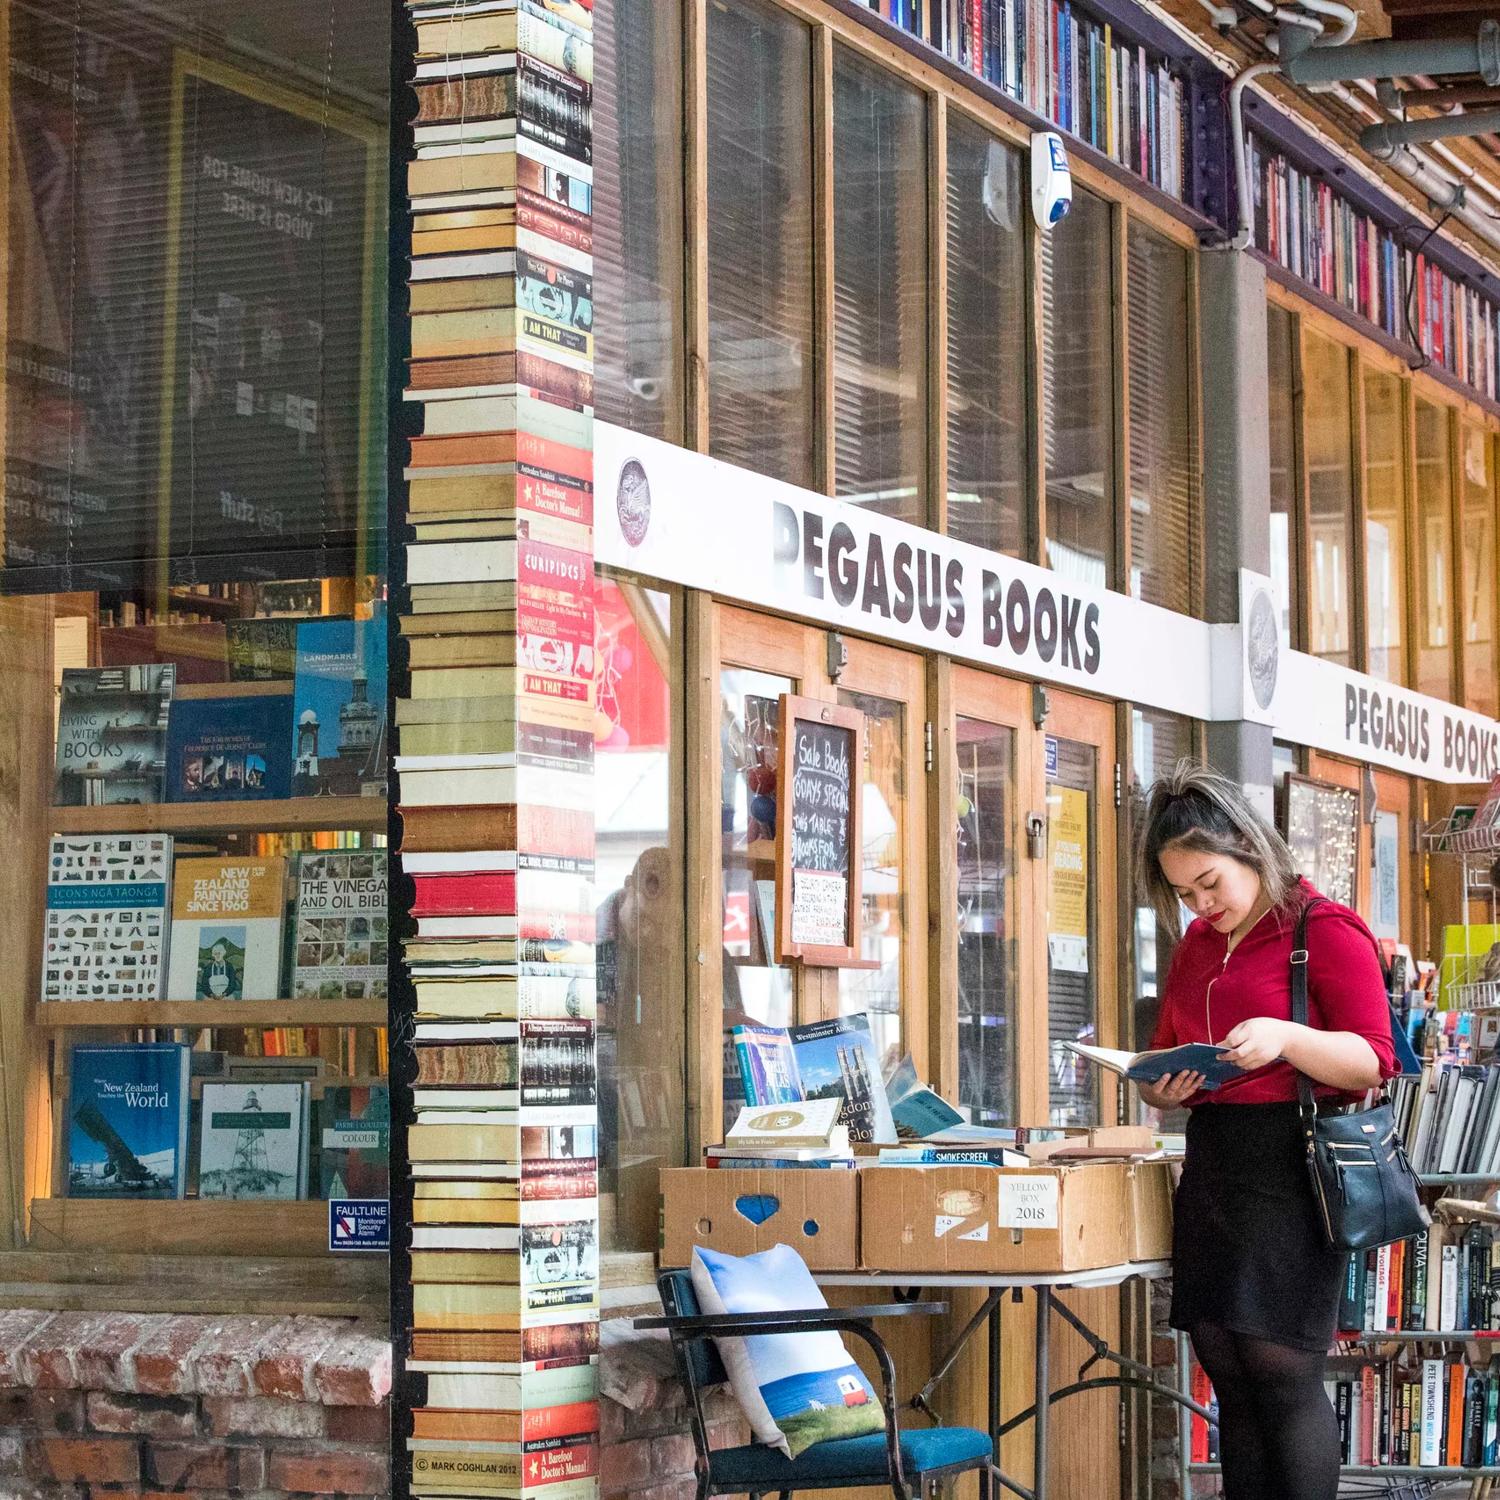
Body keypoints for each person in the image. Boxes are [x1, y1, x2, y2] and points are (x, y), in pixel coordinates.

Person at [1135, 761, 1397, 1500]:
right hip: (1216, 1160)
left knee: (1282, 1375)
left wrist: (1287, 1037)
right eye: (1184, 893)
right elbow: (1165, 1049)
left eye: (1210, 883)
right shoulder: (1196, 944)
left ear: (1249, 848)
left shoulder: (1322, 927)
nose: (1201, 904)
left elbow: (1374, 1059)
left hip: (1294, 1162)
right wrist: (1159, 1083)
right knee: (1228, 1373)